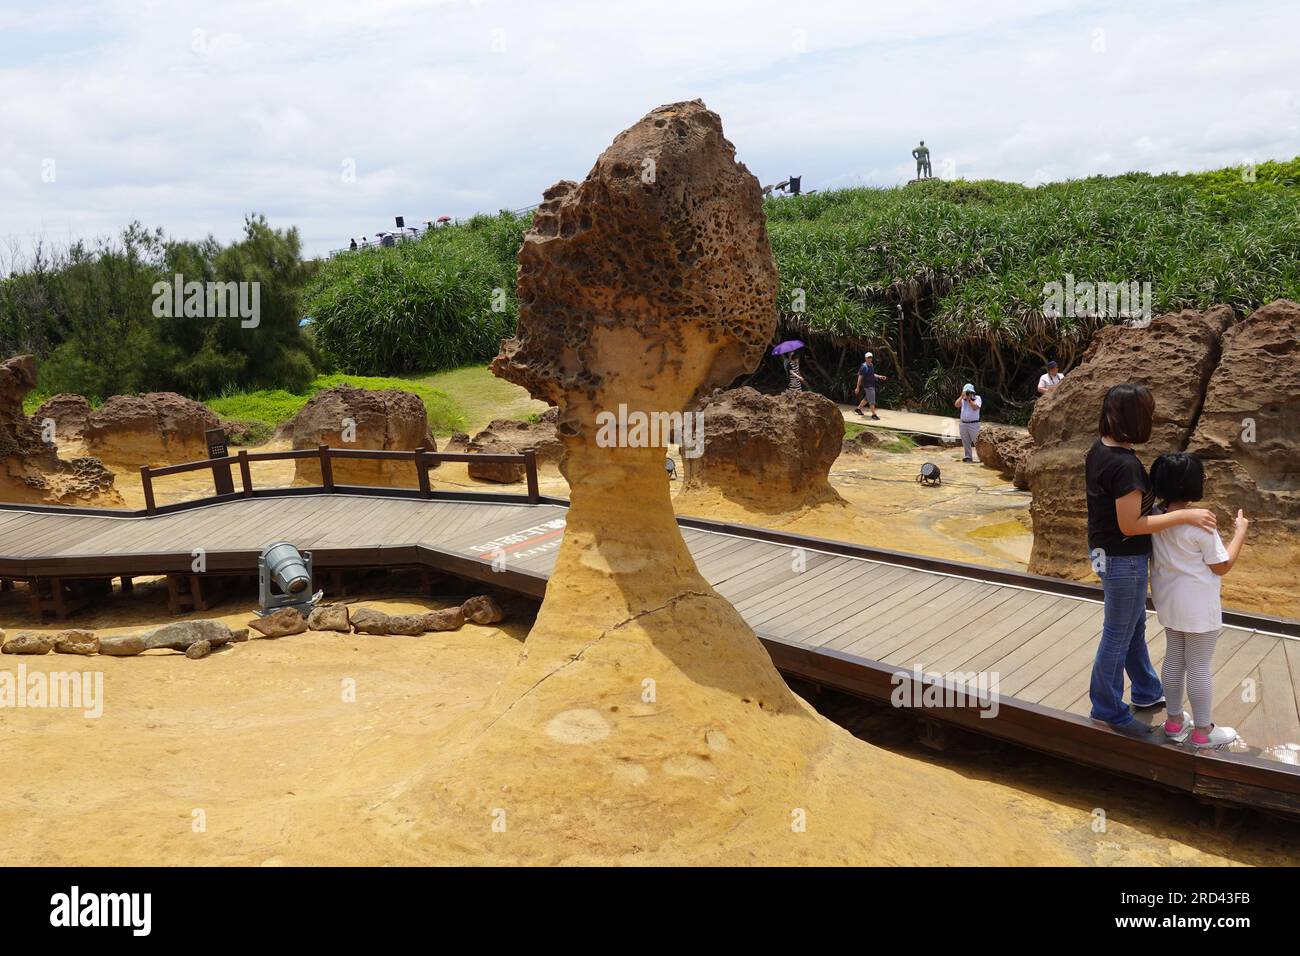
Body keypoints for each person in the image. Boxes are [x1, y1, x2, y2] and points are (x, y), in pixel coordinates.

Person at [1084, 384, 1218, 740]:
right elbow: (1131, 524)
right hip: (1122, 558)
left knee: (1132, 625)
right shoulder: (1125, 466)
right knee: (1118, 631)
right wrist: (1186, 516)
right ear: (1135, 418)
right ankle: (1106, 709)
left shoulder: (1101, 449)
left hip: (1102, 551)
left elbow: (1128, 509)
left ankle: (1145, 689)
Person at [1149, 452, 1248, 748]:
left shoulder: (1154, 516)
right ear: (1193, 485)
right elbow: (1222, 565)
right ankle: (1203, 731)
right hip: (1198, 608)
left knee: (1174, 659)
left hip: (1168, 602)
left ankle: (1175, 721)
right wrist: (1240, 532)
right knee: (1200, 665)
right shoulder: (1201, 524)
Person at [854, 351, 888, 419]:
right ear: (865, 358)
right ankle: (874, 414)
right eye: (868, 357)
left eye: (871, 357)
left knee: (867, 399)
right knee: (872, 400)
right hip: (868, 386)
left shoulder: (871, 365)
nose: (869, 359)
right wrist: (857, 387)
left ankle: (858, 409)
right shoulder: (864, 367)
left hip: (871, 385)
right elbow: (860, 377)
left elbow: (872, 374)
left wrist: (879, 376)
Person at [953, 383, 981, 461]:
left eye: (970, 392)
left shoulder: (977, 398)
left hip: (974, 424)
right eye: (966, 392)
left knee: (977, 441)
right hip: (963, 424)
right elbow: (956, 405)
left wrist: (969, 400)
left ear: (973, 392)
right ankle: (968, 457)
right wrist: (962, 396)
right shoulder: (962, 399)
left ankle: (981, 457)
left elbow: (975, 407)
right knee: (965, 441)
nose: (968, 394)